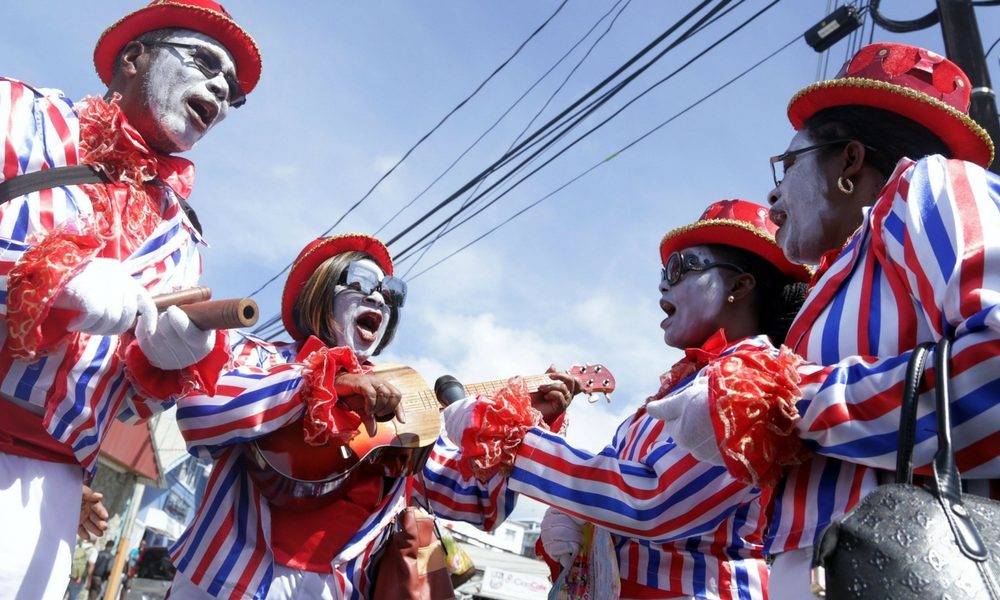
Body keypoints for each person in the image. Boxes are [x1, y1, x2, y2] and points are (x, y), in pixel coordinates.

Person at [652, 42, 1000, 598]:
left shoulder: (929, 187)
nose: (772, 191)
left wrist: (790, 404)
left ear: (849, 161)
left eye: (786, 165)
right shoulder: (843, 279)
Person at [0, 2, 262, 598]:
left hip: (51, 491)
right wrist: (50, 277)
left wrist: (162, 367)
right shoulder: (18, 114)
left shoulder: (184, 241)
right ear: (133, 57)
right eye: (203, 61)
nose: (221, 87)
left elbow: (129, 420)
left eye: (234, 90)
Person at [437, 199, 811, 599]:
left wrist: (514, 441)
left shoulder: (755, 379)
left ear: (740, 286)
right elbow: (615, 487)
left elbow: (654, 502)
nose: (664, 284)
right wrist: (579, 522)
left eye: (681, 268)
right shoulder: (678, 388)